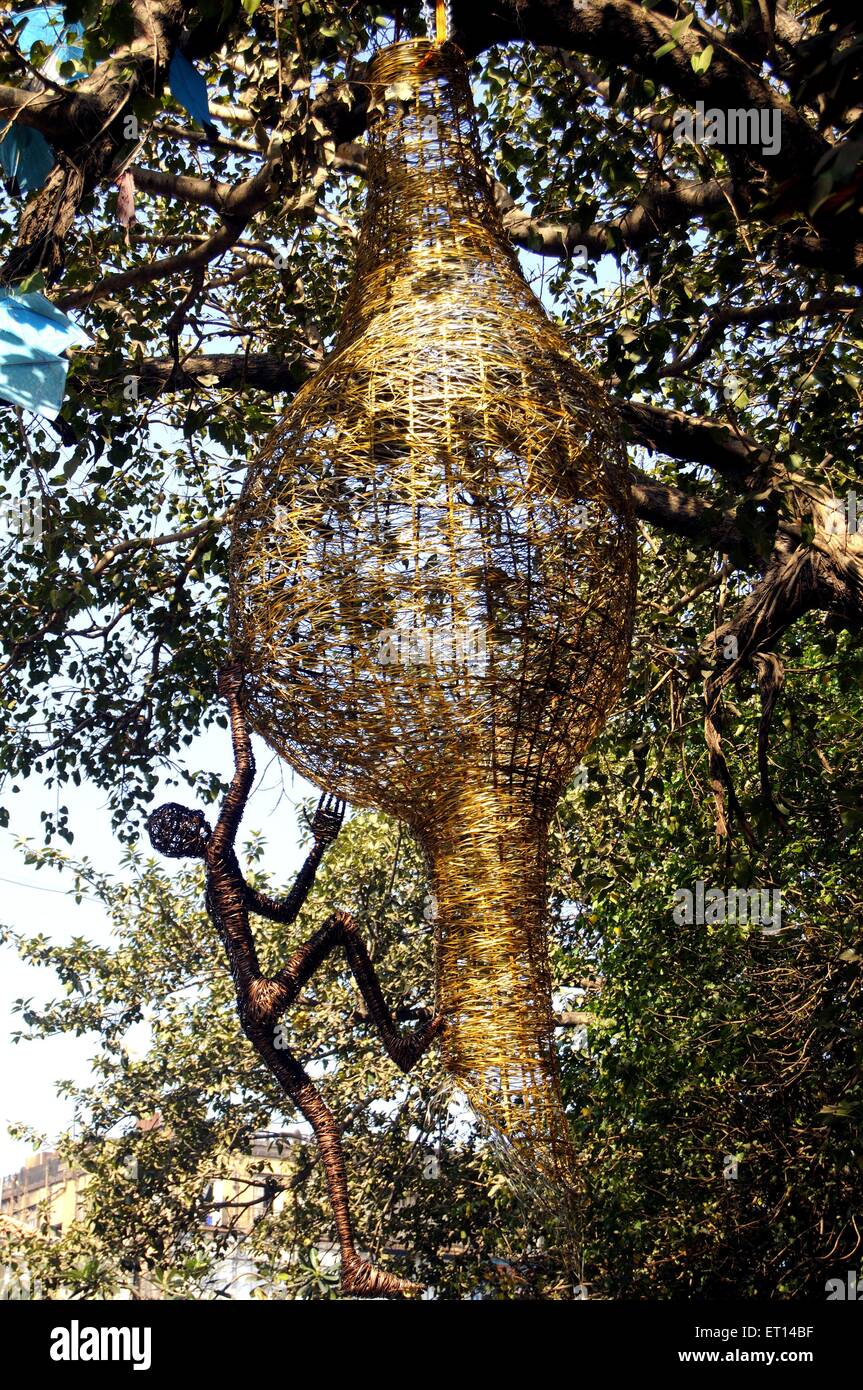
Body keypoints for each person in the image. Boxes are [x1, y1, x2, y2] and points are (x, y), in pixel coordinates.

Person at [146, 663, 442, 1297]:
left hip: (252, 1016)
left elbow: (281, 913)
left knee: (325, 1121)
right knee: (340, 925)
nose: (202, 820)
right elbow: (246, 772)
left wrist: (318, 848)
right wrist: (233, 700)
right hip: (259, 1000)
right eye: (193, 820)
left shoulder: (219, 880)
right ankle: (397, 1043)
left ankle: (352, 1264)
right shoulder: (219, 850)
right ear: (194, 828)